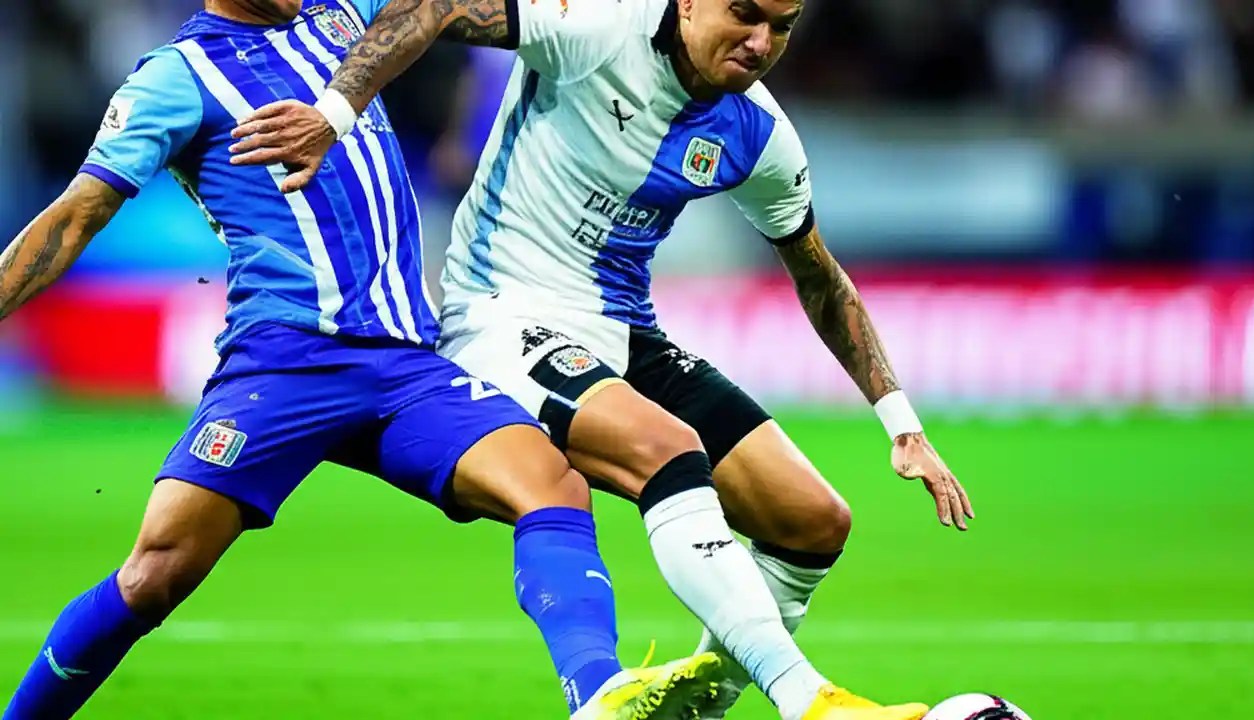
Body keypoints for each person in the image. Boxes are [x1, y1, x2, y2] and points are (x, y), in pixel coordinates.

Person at [231, 0, 973, 718]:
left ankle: (691, 712)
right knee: (669, 451)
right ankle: (807, 700)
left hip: (622, 331)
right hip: (501, 312)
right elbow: (437, 4)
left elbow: (819, 275)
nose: (760, 40)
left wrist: (902, 425)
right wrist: (331, 114)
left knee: (812, 519)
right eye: (742, 12)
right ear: (686, 5)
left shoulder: (758, 135)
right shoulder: (593, 23)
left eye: (782, 26)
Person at [0, 1, 724, 718]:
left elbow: (443, 10)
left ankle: (597, 692)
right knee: (156, 574)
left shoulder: (345, 11)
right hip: (285, 365)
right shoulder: (175, 78)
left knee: (553, 485)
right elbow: (74, 216)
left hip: (406, 364)